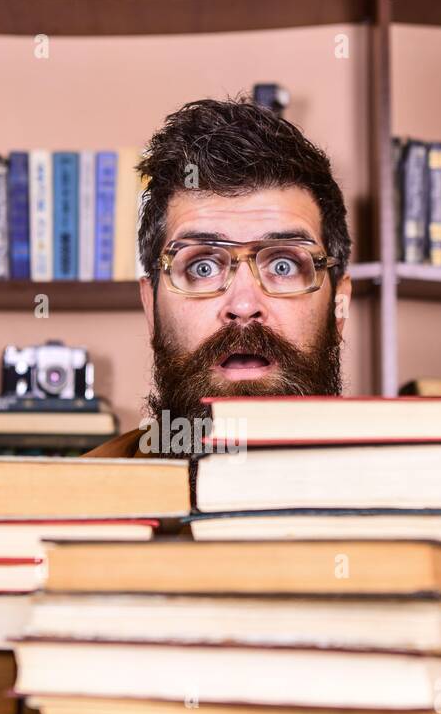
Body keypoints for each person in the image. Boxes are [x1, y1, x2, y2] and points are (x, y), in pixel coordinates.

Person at [83, 96, 352, 458]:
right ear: (151, 309)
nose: (243, 305)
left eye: (284, 265)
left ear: (340, 306)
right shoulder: (78, 501)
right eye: (202, 267)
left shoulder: (418, 496)